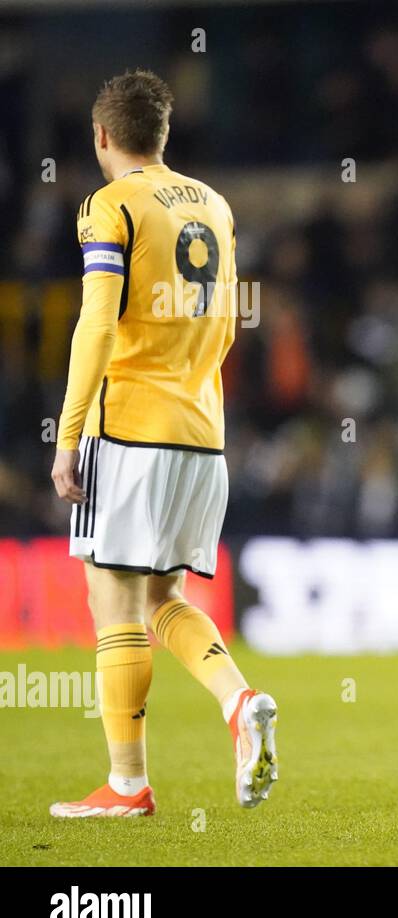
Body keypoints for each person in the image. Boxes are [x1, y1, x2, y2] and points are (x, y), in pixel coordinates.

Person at [48, 70, 277, 818]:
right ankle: (238, 701)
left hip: (133, 427)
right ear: (164, 135)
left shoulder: (108, 206)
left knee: (112, 604)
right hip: (202, 431)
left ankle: (126, 785)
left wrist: (70, 433)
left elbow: (98, 323)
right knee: (164, 598)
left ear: (102, 136)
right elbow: (227, 322)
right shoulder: (214, 203)